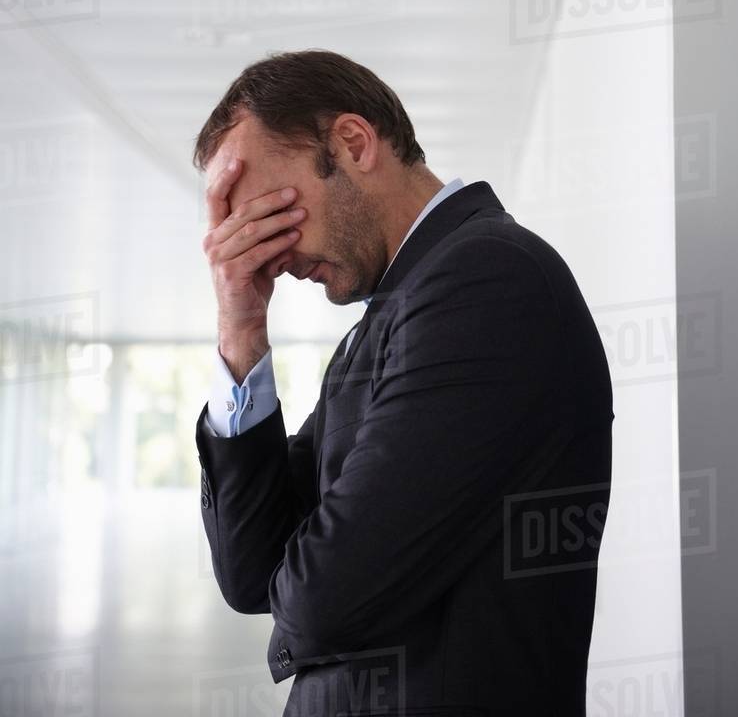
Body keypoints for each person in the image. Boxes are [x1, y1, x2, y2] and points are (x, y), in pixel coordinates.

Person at [193, 49, 613, 717]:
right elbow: (251, 574)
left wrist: (303, 571)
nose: (267, 251)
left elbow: (324, 601)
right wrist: (240, 332)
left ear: (354, 143)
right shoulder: (386, 320)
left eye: (270, 211)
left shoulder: (485, 283)